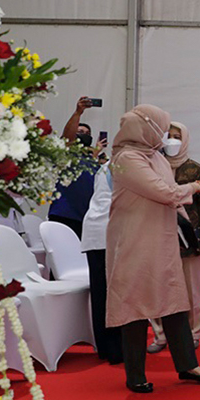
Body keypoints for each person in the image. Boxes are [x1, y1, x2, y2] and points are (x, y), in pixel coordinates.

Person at [106, 104, 200, 393]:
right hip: (135, 241)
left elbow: (170, 196)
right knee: (134, 304)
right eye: (163, 129)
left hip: (162, 237)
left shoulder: (154, 156)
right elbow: (165, 192)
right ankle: (135, 374)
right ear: (146, 128)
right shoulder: (126, 158)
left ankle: (187, 365)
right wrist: (196, 187)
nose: (167, 136)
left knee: (173, 300)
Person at [147, 121, 200, 353]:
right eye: (168, 135)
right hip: (158, 236)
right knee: (157, 289)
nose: (171, 140)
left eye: (177, 136)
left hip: (191, 237)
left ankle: (192, 333)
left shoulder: (196, 170)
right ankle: (160, 335)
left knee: (192, 290)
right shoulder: (150, 167)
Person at [81, 141, 122, 365]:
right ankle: (116, 350)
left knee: (101, 293)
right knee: (113, 293)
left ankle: (106, 349)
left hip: (95, 231)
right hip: (107, 231)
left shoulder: (105, 167)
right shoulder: (120, 167)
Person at [50, 96, 101, 237]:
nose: (84, 135)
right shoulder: (66, 154)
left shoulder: (90, 160)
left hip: (86, 217)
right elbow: (67, 139)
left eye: (87, 134)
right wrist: (78, 113)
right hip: (65, 214)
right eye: (80, 132)